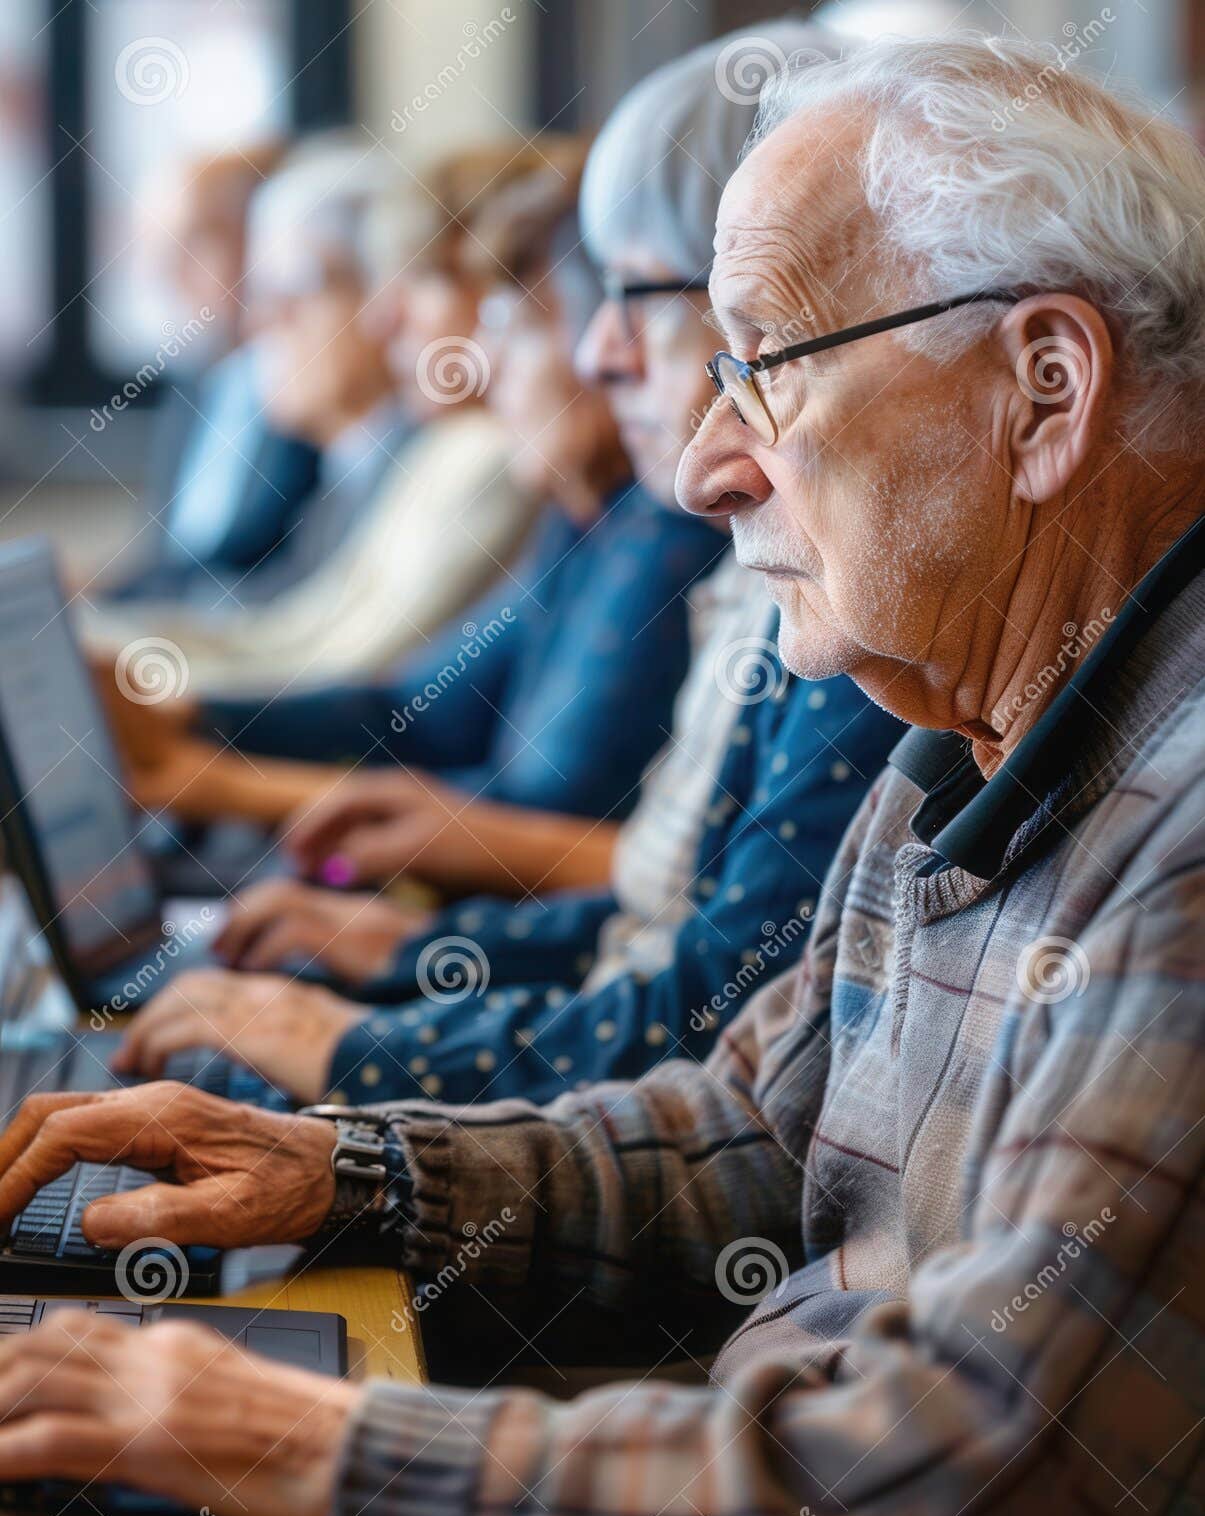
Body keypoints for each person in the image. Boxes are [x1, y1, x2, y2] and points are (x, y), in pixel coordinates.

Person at [3, 32, 1204, 1516]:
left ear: (1044, 390)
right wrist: (347, 1163)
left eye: (763, 360)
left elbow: (970, 1487)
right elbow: (754, 1133)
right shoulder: (961, 741)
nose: (706, 465)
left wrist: (310, 1441)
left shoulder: (1174, 834)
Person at [108, 20, 901, 1113]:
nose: (592, 353)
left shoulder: (792, 577)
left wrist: (366, 1045)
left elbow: (697, 994)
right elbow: (660, 918)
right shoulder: (707, 553)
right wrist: (414, 950)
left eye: (634, 302)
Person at [82, 141, 546, 707]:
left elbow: (348, 669)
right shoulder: (432, 453)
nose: (387, 319)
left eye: (292, 291)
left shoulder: (481, 454)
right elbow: (297, 632)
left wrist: (139, 684)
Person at [104, 143, 322, 604]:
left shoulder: (312, 390)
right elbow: (167, 556)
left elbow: (264, 562)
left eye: (195, 243)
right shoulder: (195, 386)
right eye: (162, 249)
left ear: (258, 239)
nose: (170, 274)